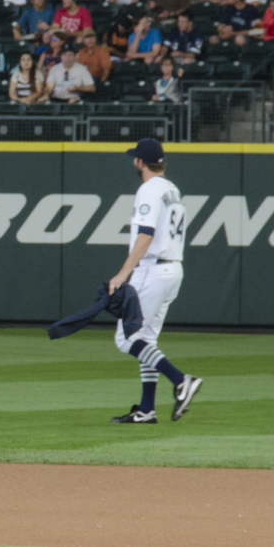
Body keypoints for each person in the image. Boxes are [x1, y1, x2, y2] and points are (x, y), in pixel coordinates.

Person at [106, 139, 203, 425]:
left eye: (135, 158)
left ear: (141, 162)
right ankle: (147, 409)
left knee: (126, 338)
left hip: (153, 269)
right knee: (146, 339)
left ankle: (181, 380)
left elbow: (145, 235)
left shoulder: (148, 189)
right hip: (173, 270)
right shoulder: (172, 190)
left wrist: (123, 273)